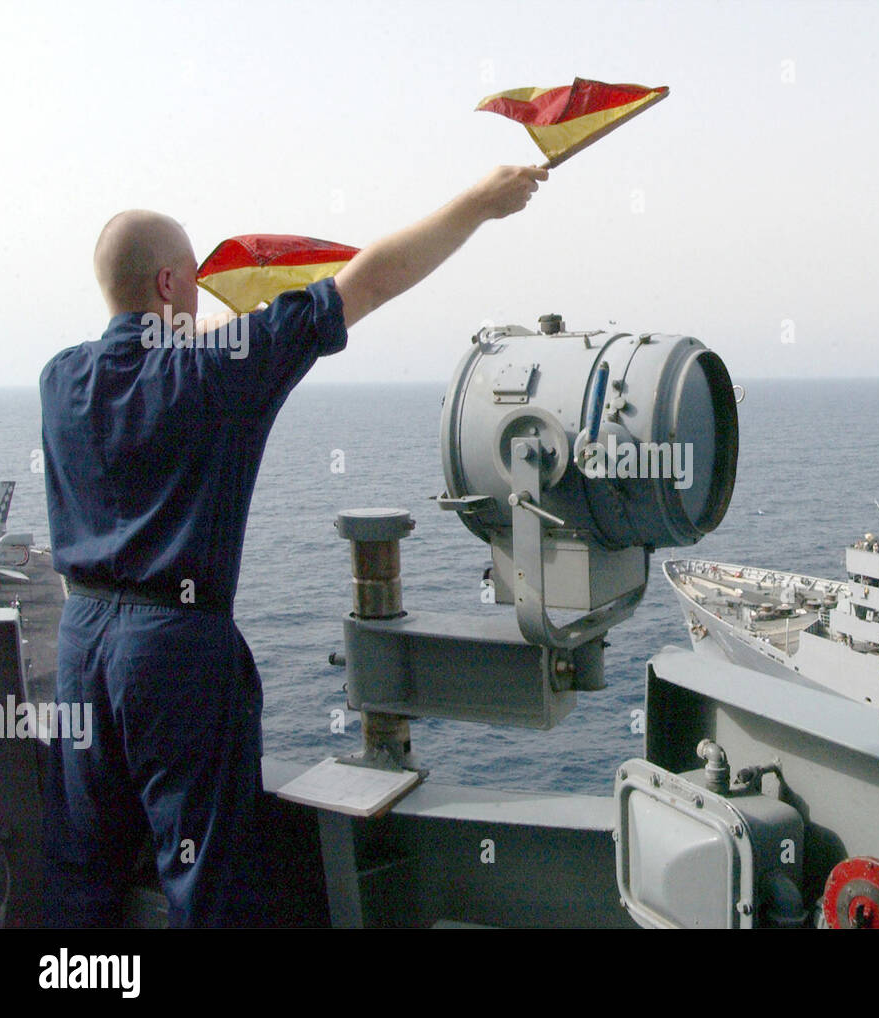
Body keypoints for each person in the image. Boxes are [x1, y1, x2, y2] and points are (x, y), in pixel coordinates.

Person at [39, 164, 547, 927]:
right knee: (204, 875)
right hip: (170, 653)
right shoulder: (213, 376)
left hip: (81, 647)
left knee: (85, 869)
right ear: (172, 282)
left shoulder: (59, 378)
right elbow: (367, 283)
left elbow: (153, 346)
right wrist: (481, 203)